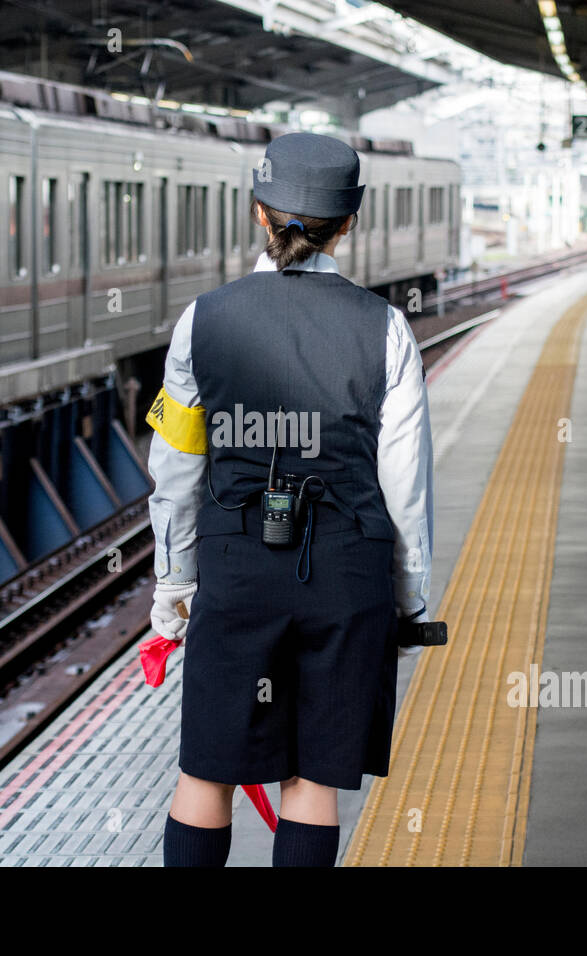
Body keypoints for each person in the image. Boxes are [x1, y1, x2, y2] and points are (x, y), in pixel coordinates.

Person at [146, 131, 434, 866]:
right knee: (312, 778)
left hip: (237, 568)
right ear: (351, 222)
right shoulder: (387, 329)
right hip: (347, 575)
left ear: (257, 213)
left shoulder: (200, 322)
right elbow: (405, 486)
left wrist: (173, 584)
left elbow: (175, 466)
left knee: (206, 768)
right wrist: (409, 598)